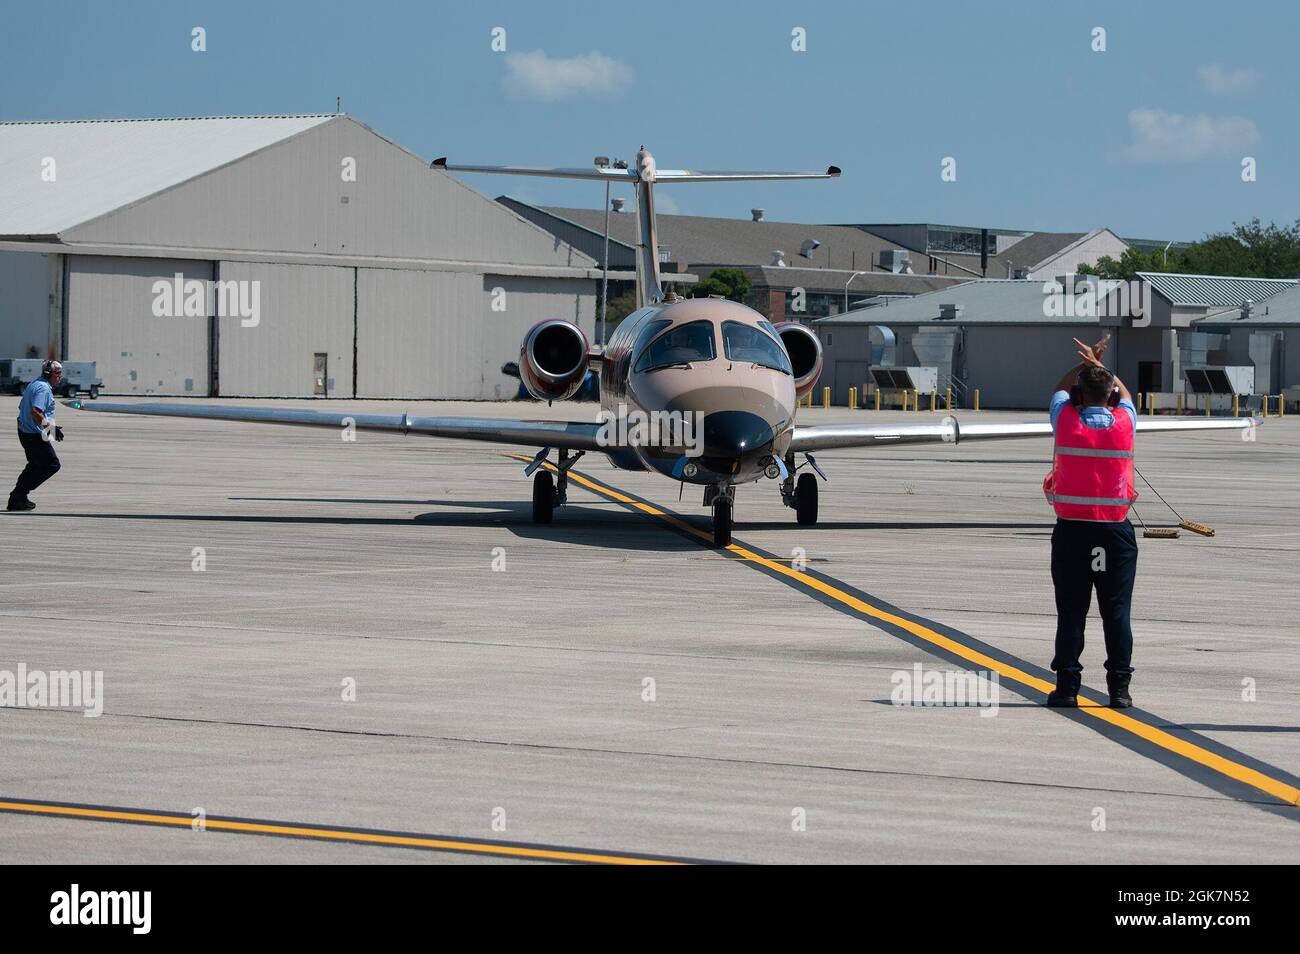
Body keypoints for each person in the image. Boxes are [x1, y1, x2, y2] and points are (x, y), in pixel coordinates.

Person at [1044, 334, 1138, 709]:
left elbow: (1057, 391)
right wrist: (1101, 369)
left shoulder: (1066, 421)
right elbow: (1127, 398)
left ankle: (1067, 688)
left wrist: (1086, 366)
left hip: (1072, 533)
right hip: (1114, 533)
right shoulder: (1125, 424)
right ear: (1111, 396)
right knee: (1116, 613)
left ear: (1078, 396)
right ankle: (1119, 689)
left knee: (1071, 612)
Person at [8, 359, 64, 512]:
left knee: (34, 465)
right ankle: (19, 495)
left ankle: (17, 498)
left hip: (26, 431)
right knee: (52, 464)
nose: (60, 376)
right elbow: (35, 411)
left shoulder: (35, 383)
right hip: (34, 434)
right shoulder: (43, 389)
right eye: (58, 373)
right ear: (49, 373)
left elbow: (22, 407)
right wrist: (52, 429)